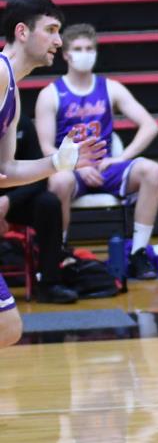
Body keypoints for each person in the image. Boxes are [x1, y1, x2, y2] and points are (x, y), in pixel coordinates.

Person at [0, 0, 106, 347]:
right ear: (22, 32)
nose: (59, 42)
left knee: (8, 328)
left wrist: (60, 162)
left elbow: (7, 169)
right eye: (51, 30)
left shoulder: (11, 95)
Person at [35, 24, 158, 280]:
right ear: (66, 54)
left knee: (152, 170)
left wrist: (122, 158)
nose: (85, 53)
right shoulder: (50, 94)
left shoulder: (111, 88)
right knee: (58, 180)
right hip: (71, 170)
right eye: (78, 49)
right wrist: (76, 168)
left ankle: (138, 253)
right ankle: (59, 253)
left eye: (89, 48)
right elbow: (46, 147)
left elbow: (150, 125)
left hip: (105, 166)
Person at [0, 112, 77, 304]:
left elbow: (39, 180)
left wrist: (9, 201)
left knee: (49, 203)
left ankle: (49, 283)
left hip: (15, 200)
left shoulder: (21, 123)